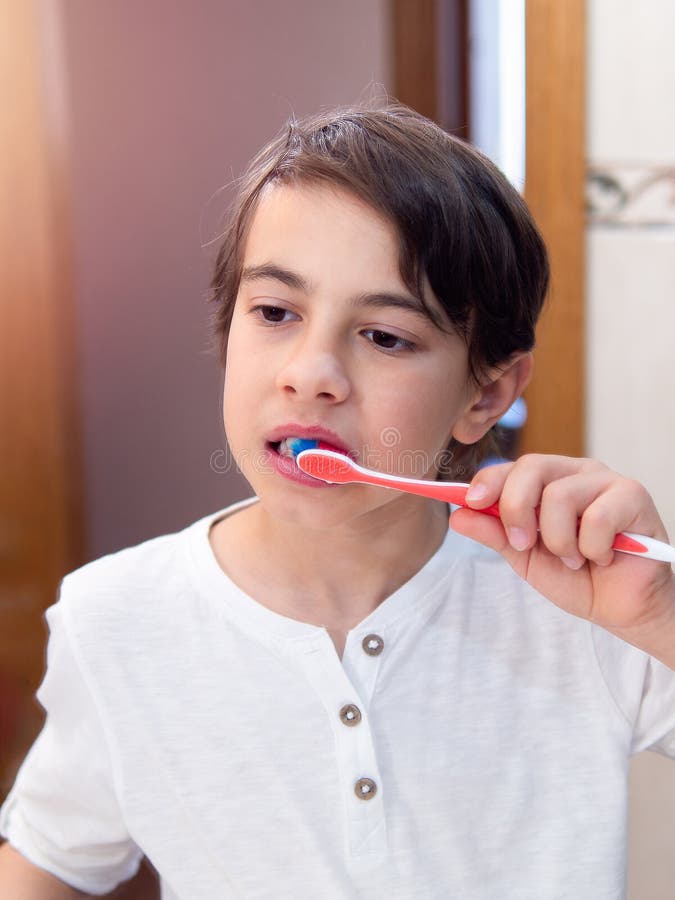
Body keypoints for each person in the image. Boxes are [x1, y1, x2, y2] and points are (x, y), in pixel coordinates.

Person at [1, 103, 674, 900]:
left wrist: (658, 618)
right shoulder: (116, 619)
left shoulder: (585, 611)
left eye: (386, 336)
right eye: (275, 312)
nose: (311, 370)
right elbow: (46, 864)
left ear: (485, 394)